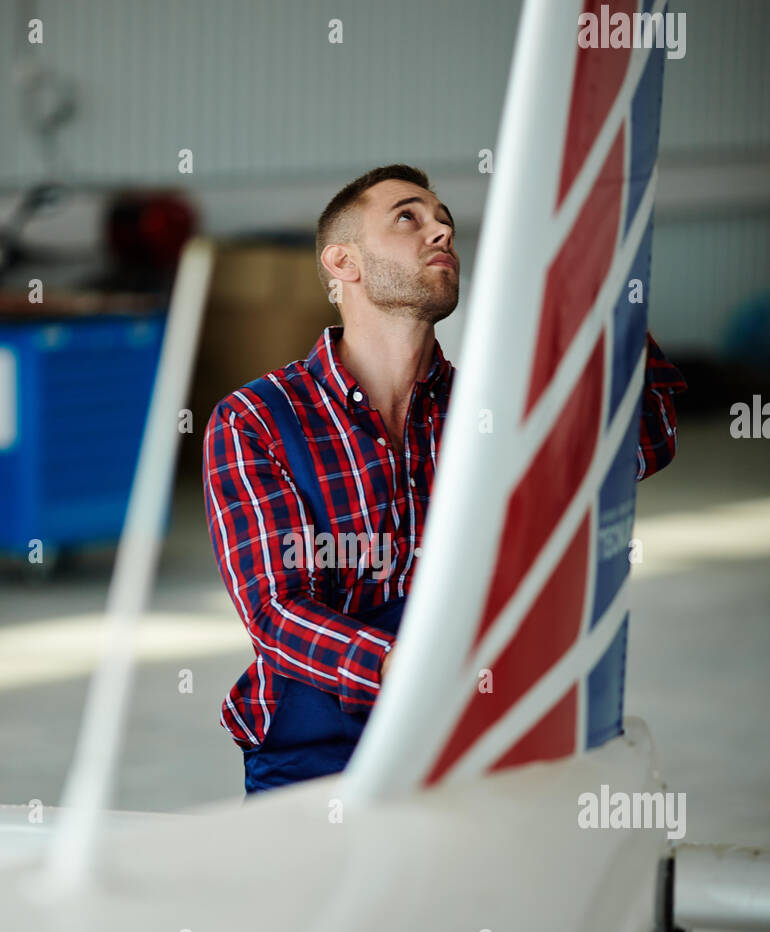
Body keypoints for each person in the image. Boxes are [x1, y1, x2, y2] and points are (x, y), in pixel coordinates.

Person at [203, 165, 687, 795]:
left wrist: (600, 283)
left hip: (468, 737)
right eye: (409, 217)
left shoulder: (494, 412)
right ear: (342, 262)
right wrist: (412, 668)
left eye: (444, 221)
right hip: (317, 757)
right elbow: (275, 613)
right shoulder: (257, 419)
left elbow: (646, 438)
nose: (441, 230)